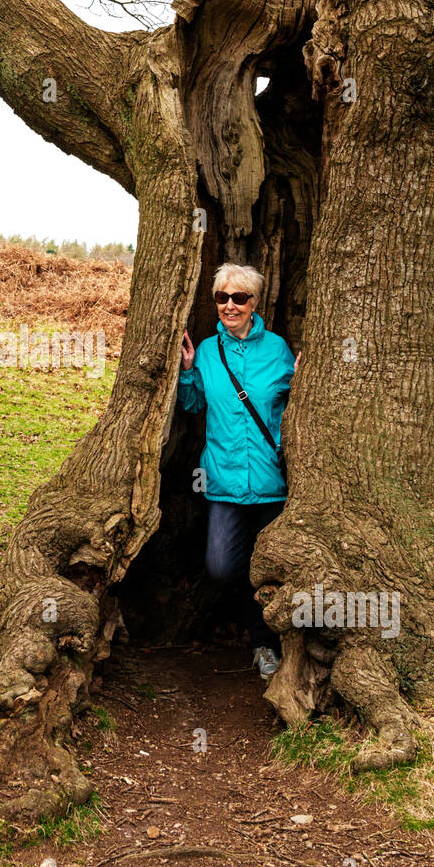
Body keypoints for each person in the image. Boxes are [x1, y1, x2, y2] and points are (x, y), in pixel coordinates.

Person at [178, 263, 295, 680]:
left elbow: (297, 405)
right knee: (224, 566)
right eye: (222, 298)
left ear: (255, 303)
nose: (229, 305)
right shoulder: (209, 351)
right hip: (223, 481)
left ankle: (266, 645)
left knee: (274, 570)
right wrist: (189, 372)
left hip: (272, 484)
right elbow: (193, 406)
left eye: (239, 298)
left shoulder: (278, 350)